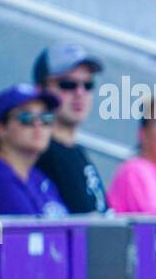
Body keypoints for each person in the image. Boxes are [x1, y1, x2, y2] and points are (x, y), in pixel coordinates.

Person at [0, 85, 67, 217]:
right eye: (26, 118)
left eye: (46, 118)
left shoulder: (38, 177)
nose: (38, 124)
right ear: (1, 129)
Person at [33, 42, 108, 213]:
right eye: (67, 85)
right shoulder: (39, 152)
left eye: (88, 85)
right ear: (40, 90)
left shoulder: (76, 150)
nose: (80, 93)